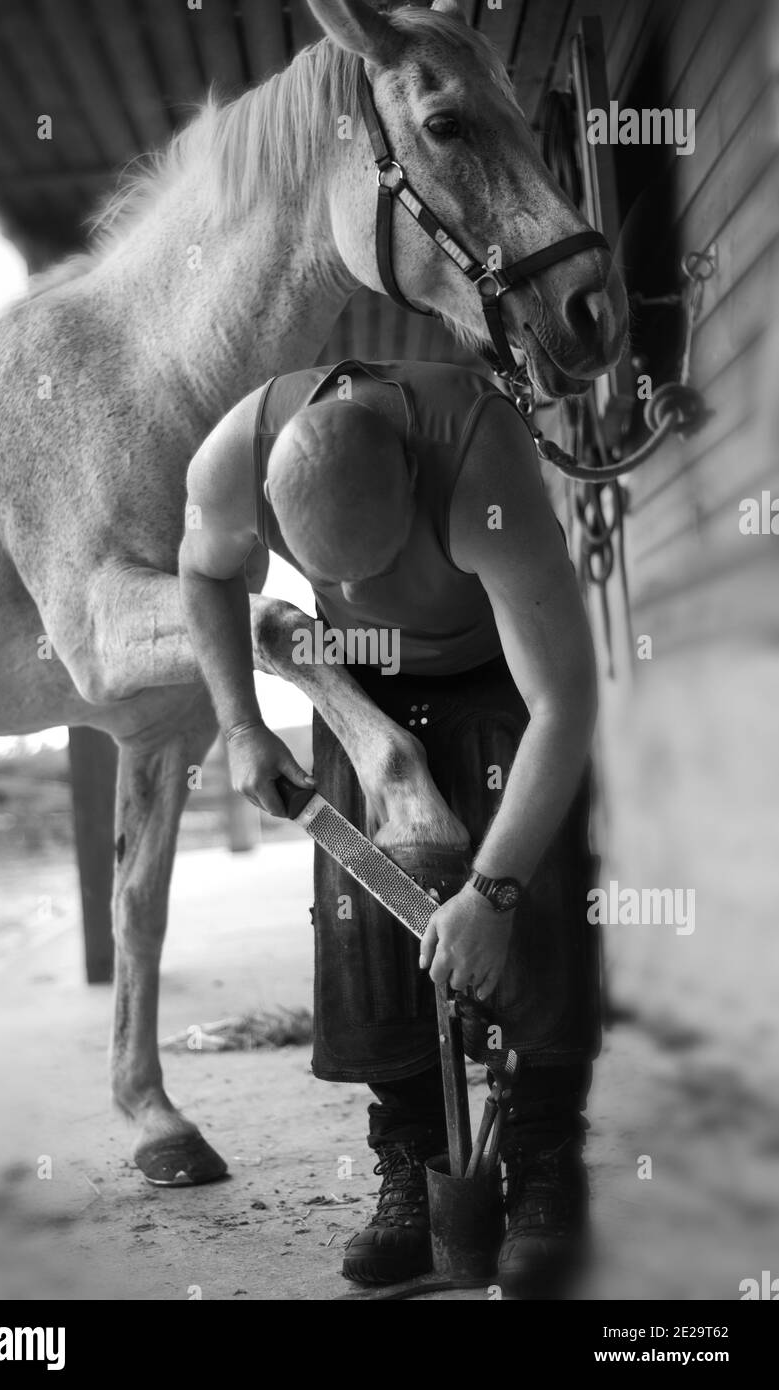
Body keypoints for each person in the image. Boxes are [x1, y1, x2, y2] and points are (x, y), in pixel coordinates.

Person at [178, 358, 601, 1298]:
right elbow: (200, 571)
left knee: (530, 896)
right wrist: (242, 724)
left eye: (375, 564)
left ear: (412, 478)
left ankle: (538, 1159)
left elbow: (564, 702)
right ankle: (411, 1163)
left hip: (499, 662)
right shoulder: (232, 460)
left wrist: (491, 892)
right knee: (363, 917)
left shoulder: (479, 462)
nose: (364, 586)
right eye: (333, 572)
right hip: (359, 674)